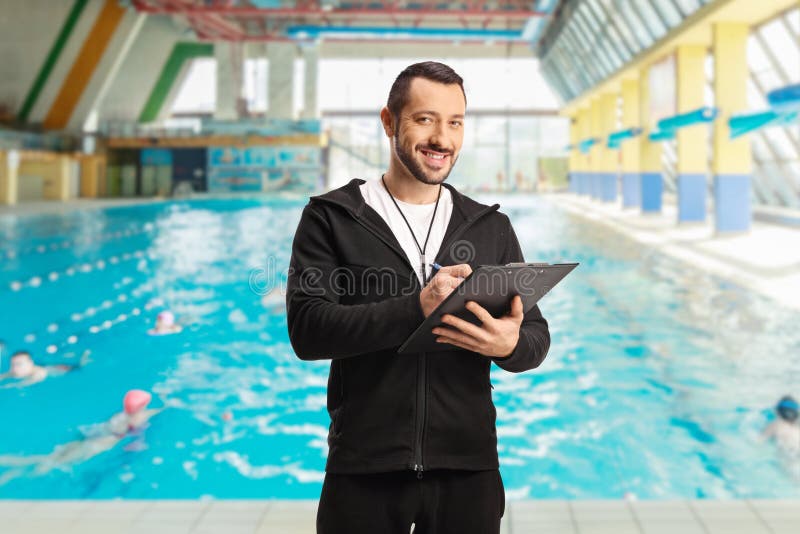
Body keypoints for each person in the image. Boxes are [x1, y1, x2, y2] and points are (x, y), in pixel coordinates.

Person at [286, 61, 550, 534]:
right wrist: (416, 308)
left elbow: (535, 336)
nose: (442, 139)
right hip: (364, 468)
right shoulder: (332, 218)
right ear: (389, 122)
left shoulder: (490, 227)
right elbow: (308, 331)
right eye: (425, 119)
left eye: (455, 123)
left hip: (468, 469)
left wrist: (510, 346)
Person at [0, 389, 162, 484]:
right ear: (143, 405)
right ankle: (14, 476)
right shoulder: (140, 418)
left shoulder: (120, 415)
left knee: (48, 457)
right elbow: (137, 436)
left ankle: (7, 460)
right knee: (50, 465)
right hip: (96, 445)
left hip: (88, 439)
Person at [0, 350, 90, 387]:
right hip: (43, 364)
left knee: (79, 366)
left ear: (30, 363)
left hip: (59, 369)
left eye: (19, 364)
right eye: (13, 364)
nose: (15, 368)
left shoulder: (39, 373)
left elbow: (23, 384)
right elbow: (4, 375)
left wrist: (5, 386)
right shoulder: (15, 371)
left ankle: (85, 356)